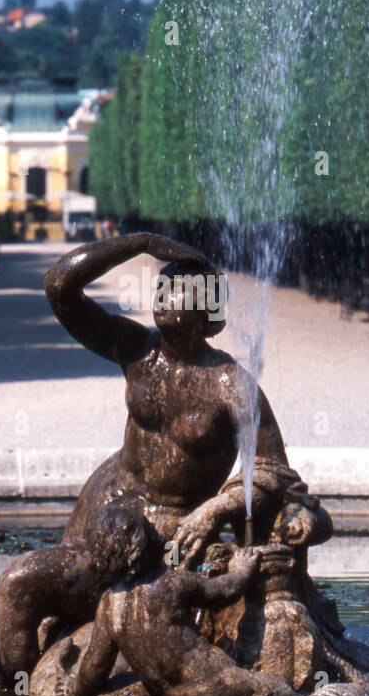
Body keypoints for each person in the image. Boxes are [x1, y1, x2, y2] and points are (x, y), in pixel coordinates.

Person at [44, 234, 289, 548]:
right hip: (108, 499)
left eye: (179, 290)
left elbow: (274, 471)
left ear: (208, 316)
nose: (164, 295)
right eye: (164, 285)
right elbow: (58, 285)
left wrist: (218, 507)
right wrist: (141, 243)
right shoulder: (138, 352)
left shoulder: (231, 386)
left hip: (173, 526)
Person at [75, 542, 297, 696]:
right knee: (283, 692)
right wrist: (240, 571)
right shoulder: (172, 583)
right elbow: (224, 591)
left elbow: (95, 667)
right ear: (142, 546)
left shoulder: (107, 603)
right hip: (216, 683)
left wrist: (78, 692)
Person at [0, 497, 159, 689]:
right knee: (17, 677)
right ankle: (20, 695)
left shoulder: (161, 547)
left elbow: (174, 558)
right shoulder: (20, 583)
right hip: (26, 589)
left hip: (148, 541)